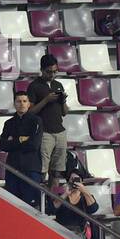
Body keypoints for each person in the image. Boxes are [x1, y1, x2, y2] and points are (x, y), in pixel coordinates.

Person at [27, 54, 69, 193]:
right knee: (42, 170)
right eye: (49, 72)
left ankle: (52, 201)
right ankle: (39, 200)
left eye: (55, 71)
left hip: (60, 131)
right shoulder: (34, 86)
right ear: (42, 70)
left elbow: (65, 112)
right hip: (44, 132)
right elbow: (30, 112)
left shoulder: (58, 85)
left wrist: (63, 101)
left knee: (56, 171)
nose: (52, 75)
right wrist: (45, 100)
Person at [0, 93, 43, 209]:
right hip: (12, 168)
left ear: (29, 104)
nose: (22, 104)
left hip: (31, 168)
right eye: (19, 101)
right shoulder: (8, 123)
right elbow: (3, 145)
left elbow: (34, 144)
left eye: (24, 101)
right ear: (14, 104)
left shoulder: (36, 121)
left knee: (31, 207)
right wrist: (21, 139)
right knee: (13, 206)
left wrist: (13, 141)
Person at [51, 173, 99, 238]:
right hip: (62, 230)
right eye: (72, 179)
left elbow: (93, 209)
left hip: (79, 232)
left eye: (77, 180)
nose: (74, 182)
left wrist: (84, 191)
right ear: (68, 182)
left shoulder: (85, 196)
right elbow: (52, 208)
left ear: (81, 182)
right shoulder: (62, 195)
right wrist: (65, 194)